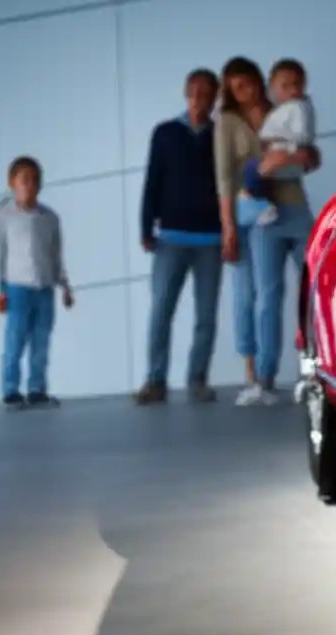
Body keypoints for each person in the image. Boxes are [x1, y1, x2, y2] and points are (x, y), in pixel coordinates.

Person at [215, 56, 320, 406]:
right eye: (236, 89)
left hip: (296, 210)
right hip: (261, 220)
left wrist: (288, 159)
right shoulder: (229, 122)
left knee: (314, 290)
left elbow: (311, 155)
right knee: (266, 299)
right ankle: (264, 378)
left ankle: (317, 370)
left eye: (248, 84)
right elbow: (226, 178)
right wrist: (228, 226)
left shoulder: (288, 109)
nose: (245, 93)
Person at [133, 68, 223, 405]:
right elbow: (152, 180)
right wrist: (145, 227)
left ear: (214, 99)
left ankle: (197, 380)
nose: (199, 100)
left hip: (211, 241)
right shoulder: (166, 133)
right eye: (193, 92)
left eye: (206, 94)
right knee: (161, 312)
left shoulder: (221, 135)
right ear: (186, 94)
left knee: (206, 316)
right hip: (170, 238)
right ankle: (155, 381)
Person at [0, 156, 74, 410]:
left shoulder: (50, 217)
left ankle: (37, 389)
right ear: (12, 182)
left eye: (35, 180)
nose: (30, 185)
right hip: (17, 288)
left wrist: (65, 286)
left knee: (41, 341)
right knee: (15, 340)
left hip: (45, 288)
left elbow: (56, 254)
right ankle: (10, 390)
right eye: (24, 180)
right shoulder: (3, 216)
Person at [241, 59, 315, 227]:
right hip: (278, 160)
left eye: (296, 84)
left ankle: (264, 205)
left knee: (252, 170)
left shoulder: (298, 107)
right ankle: (262, 204)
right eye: (285, 86)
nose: (292, 90)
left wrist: (273, 141)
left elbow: (301, 137)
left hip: (285, 157)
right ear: (272, 88)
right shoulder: (282, 109)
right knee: (253, 171)